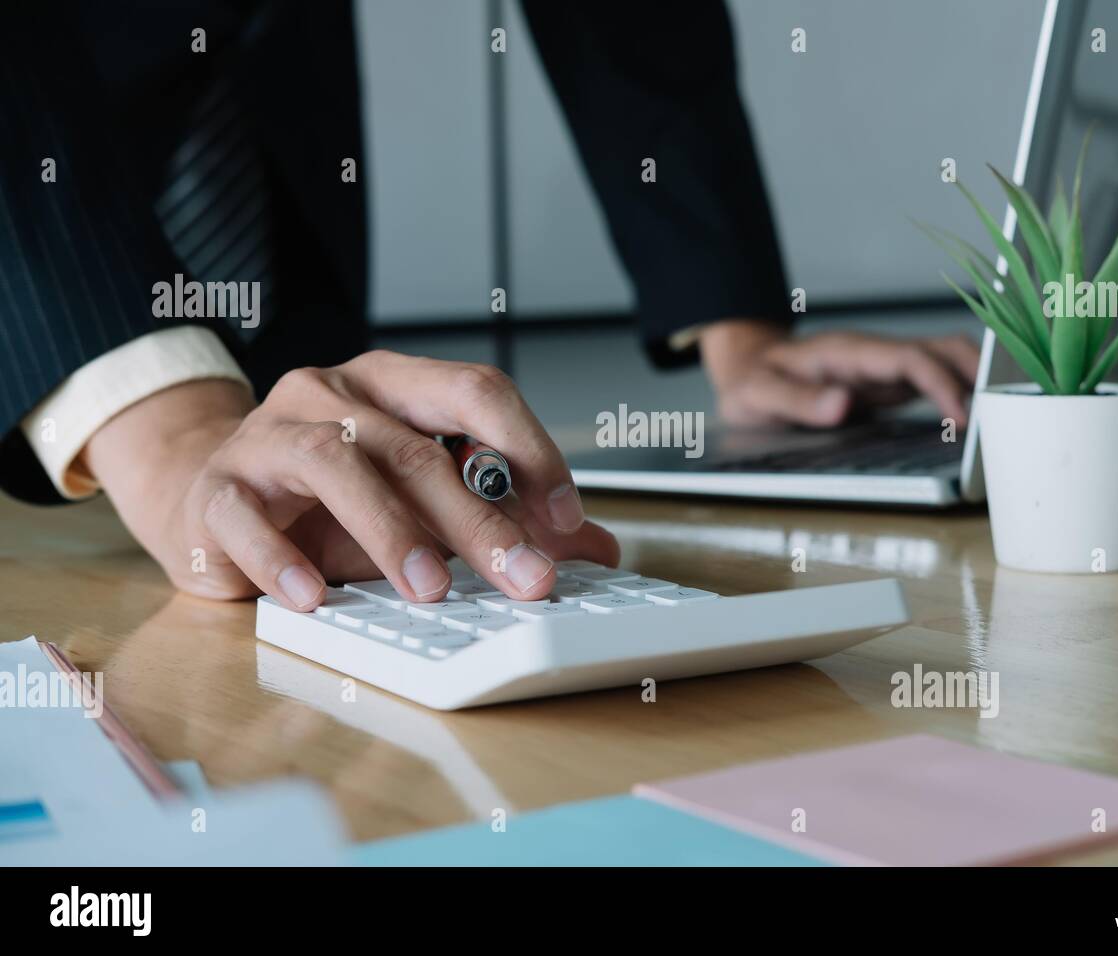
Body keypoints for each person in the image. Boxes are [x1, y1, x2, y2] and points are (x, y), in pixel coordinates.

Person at [0, 1, 979, 612]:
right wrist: (167, 437)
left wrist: (733, 317)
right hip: (42, 234)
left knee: (337, 537)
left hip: (278, 147)